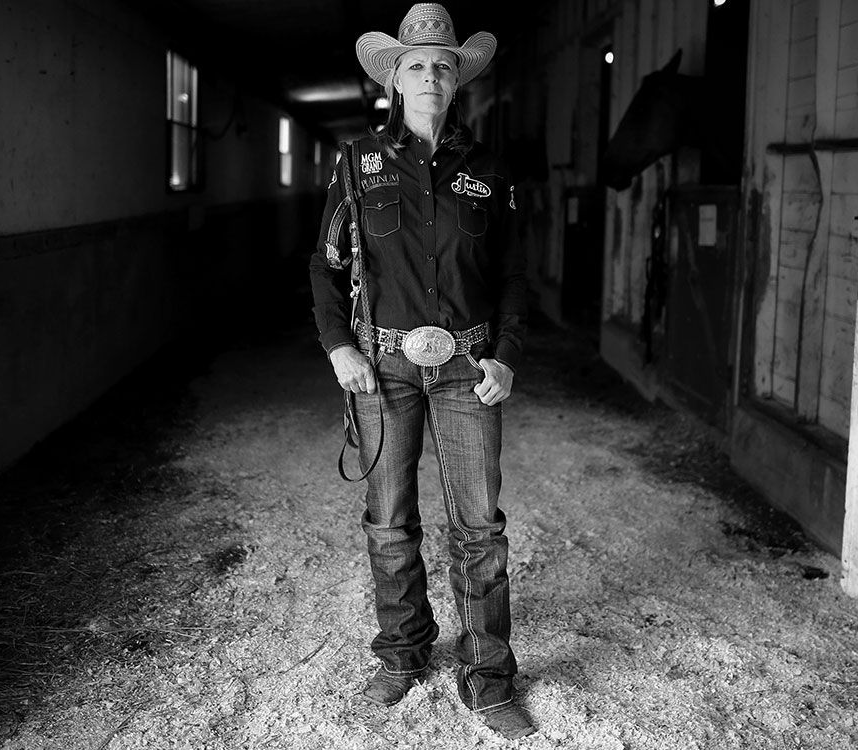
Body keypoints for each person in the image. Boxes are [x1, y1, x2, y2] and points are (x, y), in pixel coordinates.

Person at [308, 3, 533, 740]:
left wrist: (504, 354)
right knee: (389, 521)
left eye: (443, 65)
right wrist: (340, 347)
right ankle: (403, 654)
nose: (430, 75)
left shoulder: (491, 172)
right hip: (383, 366)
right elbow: (326, 262)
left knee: (480, 528)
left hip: (469, 366)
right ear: (394, 80)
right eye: (416, 65)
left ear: (458, 81)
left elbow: (512, 275)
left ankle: (489, 674)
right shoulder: (357, 162)